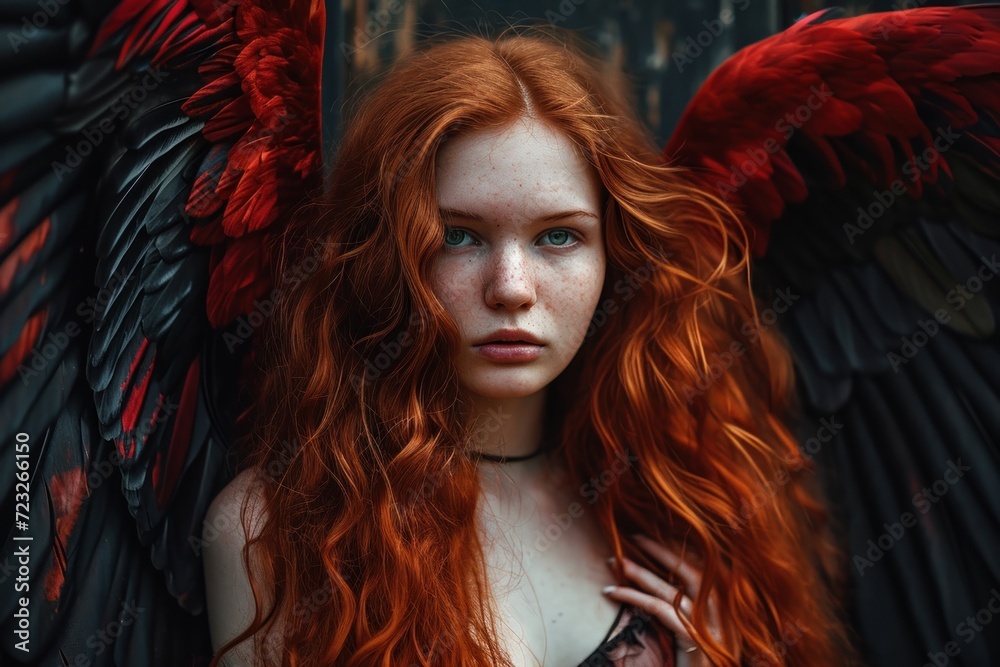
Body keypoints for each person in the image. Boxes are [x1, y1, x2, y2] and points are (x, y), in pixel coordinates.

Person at [202, 25, 860, 667]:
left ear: (614, 256)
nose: (511, 288)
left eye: (559, 236)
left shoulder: (681, 497)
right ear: (384, 255)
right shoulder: (276, 532)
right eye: (458, 235)